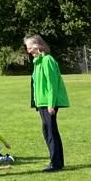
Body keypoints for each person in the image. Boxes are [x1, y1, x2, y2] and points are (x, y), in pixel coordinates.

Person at [24, 34, 69, 172]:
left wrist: (50, 104)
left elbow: (52, 84)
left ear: (37, 46)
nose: (28, 51)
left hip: (48, 103)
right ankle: (57, 161)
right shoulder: (37, 62)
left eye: (29, 47)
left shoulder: (47, 60)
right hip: (42, 103)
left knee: (50, 132)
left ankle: (55, 163)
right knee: (49, 131)